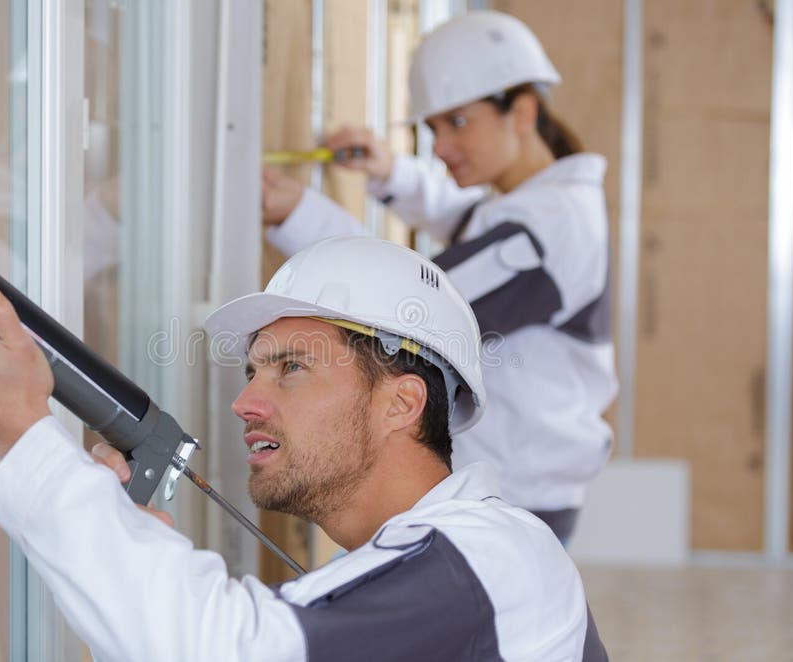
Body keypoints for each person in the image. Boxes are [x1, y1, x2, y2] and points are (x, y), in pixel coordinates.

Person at [0, 235, 607, 660]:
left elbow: (232, 649)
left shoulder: (487, 558)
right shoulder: (394, 581)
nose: (246, 403)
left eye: (292, 368)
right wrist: (133, 556)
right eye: (253, 371)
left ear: (401, 403)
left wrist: (26, 439)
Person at [262, 11, 617, 543]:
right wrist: (390, 173)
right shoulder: (534, 201)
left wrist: (299, 215)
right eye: (432, 129)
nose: (442, 146)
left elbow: (412, 299)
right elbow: (466, 215)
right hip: (518, 487)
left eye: (458, 122)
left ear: (521, 111)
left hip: (513, 500)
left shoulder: (549, 227)